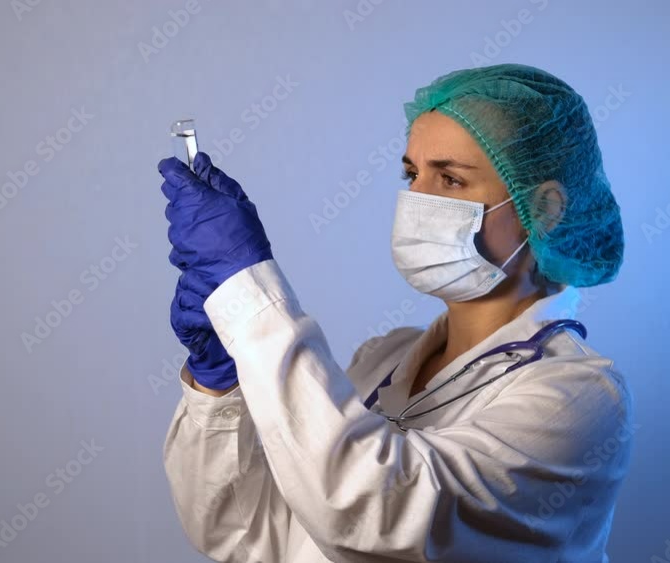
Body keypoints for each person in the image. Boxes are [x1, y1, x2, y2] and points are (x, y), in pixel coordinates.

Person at [158, 63, 633, 563]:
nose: (417, 199)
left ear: (545, 209)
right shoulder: (385, 357)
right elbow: (251, 535)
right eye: (411, 173)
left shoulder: (577, 395)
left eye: (450, 178)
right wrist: (222, 383)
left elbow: (378, 517)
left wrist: (252, 300)